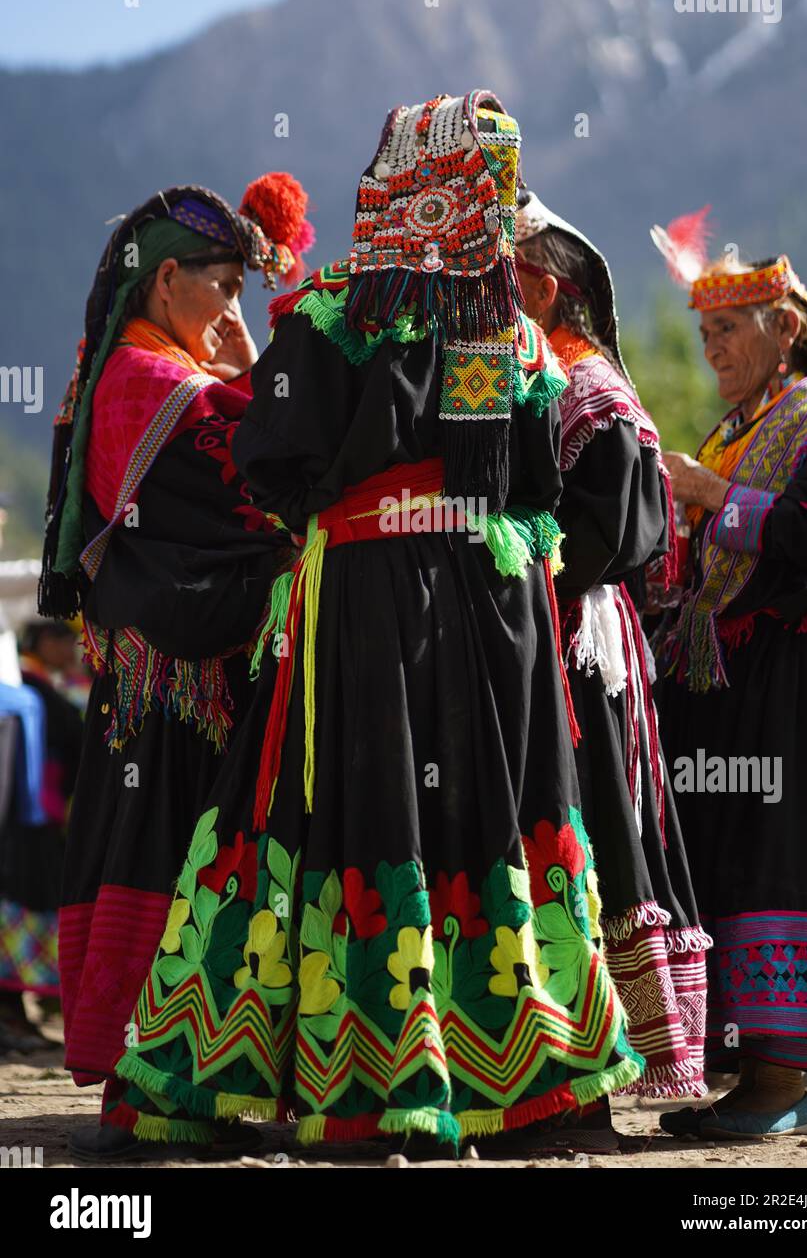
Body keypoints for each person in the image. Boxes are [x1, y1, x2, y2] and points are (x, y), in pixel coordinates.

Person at [102, 90, 644, 1161]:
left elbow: (273, 462)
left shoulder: (329, 313)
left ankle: (345, 1080)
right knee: (482, 818)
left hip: (359, 601)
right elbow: (524, 483)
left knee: (341, 816)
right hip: (491, 616)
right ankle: (521, 1085)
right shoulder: (506, 332)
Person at [38, 174, 314, 1152]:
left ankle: (153, 1089)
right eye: (224, 287)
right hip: (182, 685)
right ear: (166, 283)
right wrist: (269, 376)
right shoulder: (152, 386)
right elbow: (269, 480)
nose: (232, 309)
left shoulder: (119, 370)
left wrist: (245, 367)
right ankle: (172, 1092)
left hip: (151, 686)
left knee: (150, 853)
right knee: (182, 864)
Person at [651, 216, 807, 1139]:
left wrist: (712, 500)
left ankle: (785, 1084)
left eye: (728, 331)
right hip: (735, 684)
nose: (712, 352)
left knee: (785, 856)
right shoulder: (741, 429)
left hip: (795, 685)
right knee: (734, 859)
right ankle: (755, 1080)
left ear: (784, 329)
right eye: (703, 338)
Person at [514, 191, 710, 1122]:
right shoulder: (544, 375)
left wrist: (528, 562)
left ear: (543, 289)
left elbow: (624, 530)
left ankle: (604, 1066)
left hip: (582, 640)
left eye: (501, 282)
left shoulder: (592, 390)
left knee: (593, 818)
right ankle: (571, 1062)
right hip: (555, 628)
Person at [0, 621, 83, 1048]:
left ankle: (16, 1017)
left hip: (32, 816)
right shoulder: (26, 690)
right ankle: (10, 1017)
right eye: (65, 639)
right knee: (18, 907)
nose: (74, 646)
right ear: (43, 643)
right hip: (26, 818)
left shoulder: (32, 686)